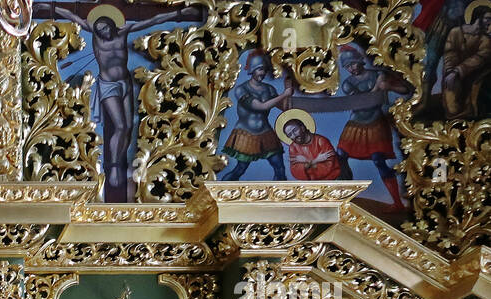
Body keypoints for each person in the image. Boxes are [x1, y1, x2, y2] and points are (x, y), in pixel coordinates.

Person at [49, 3, 206, 200]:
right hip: (108, 85)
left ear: (112, 25)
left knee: (128, 128)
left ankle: (121, 166)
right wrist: (53, 7)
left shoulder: (123, 33)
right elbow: (75, 17)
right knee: (119, 125)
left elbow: (152, 20)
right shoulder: (97, 39)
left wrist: (178, 12)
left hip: (125, 83)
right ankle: (113, 167)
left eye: (105, 27)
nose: (103, 32)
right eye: (99, 29)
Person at [334, 48, 408, 210]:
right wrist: (376, 88)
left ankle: (397, 202)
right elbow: (363, 101)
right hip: (356, 123)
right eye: (347, 66)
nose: (352, 68)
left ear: (360, 60)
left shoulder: (378, 74)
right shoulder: (348, 84)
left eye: (353, 63)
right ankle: (343, 197)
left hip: (376, 122)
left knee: (378, 160)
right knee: (341, 155)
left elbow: (406, 89)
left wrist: (388, 85)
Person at [221, 51, 292, 180]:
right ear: (253, 70)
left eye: (264, 70)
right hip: (247, 133)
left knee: (280, 168)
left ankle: (282, 196)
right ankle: (221, 192)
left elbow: (284, 107)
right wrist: (285, 94)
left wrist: (287, 89)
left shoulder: (269, 89)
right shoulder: (241, 89)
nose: (263, 73)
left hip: (266, 133)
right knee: (240, 170)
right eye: (260, 69)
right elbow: (259, 106)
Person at [440, 1, 491, 119]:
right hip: (452, 74)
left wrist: (458, 71)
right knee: (453, 109)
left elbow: (479, 58)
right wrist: (450, 71)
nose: (490, 21)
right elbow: (449, 53)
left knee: (471, 106)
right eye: (487, 18)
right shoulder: (455, 32)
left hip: (475, 76)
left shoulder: (485, 39)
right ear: (478, 17)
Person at [280, 114, 342, 181]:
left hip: (332, 180)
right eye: (290, 134)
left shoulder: (321, 141)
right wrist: (315, 161)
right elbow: (295, 171)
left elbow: (329, 166)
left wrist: (306, 164)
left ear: (302, 128)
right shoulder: (293, 147)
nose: (294, 135)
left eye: (295, 130)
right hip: (311, 183)